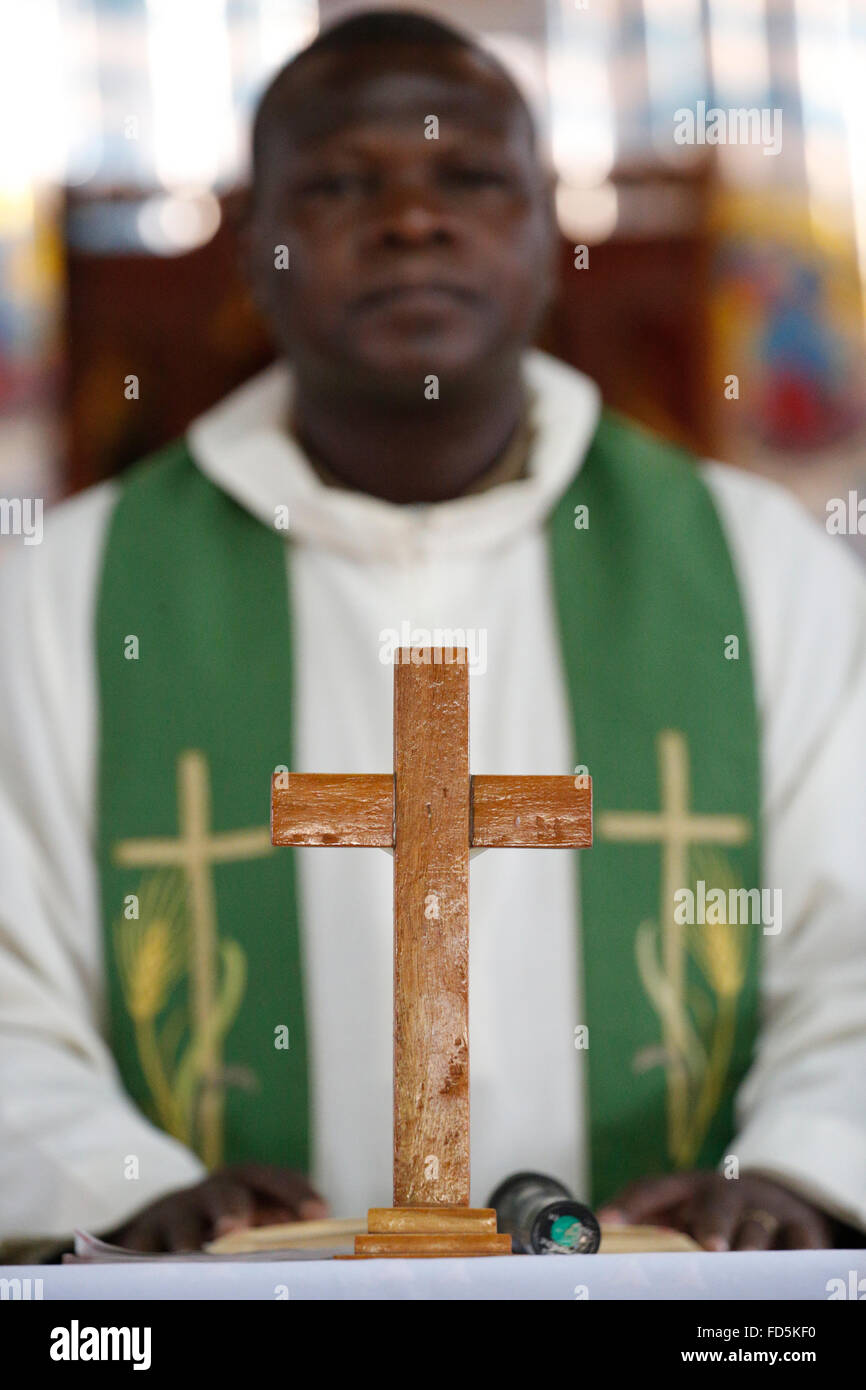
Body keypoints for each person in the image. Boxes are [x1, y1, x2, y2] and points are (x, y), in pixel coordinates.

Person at [1, 10, 864, 1260]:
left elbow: (853, 941)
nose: (411, 220)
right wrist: (115, 1184)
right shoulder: (70, 591)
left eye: (468, 177)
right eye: (342, 183)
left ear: (548, 236)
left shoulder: (756, 567)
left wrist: (795, 1166)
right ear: (254, 252)